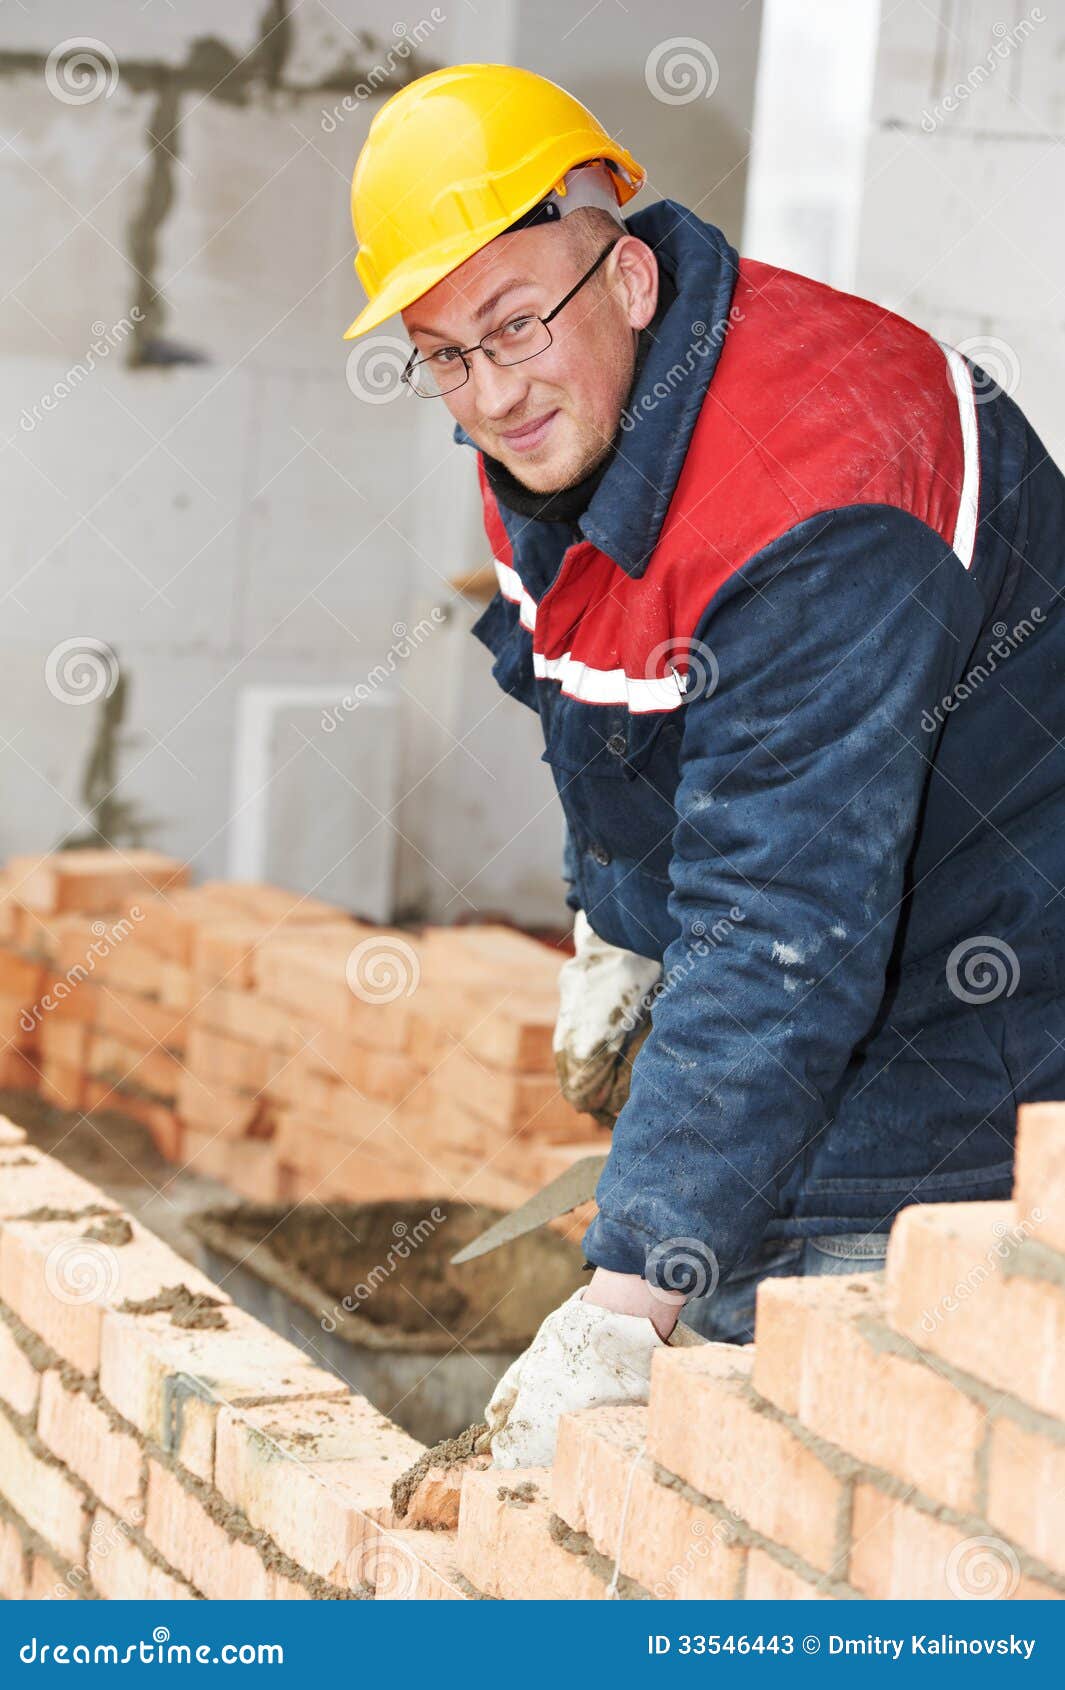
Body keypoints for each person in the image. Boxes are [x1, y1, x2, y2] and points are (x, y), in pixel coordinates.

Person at [343, 64, 1065, 1467]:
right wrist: (610, 931)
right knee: (716, 1276)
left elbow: (780, 925)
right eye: (442, 353)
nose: (489, 393)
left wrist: (624, 1301)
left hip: (992, 968)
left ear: (623, 268)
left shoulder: (818, 491)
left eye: (512, 325)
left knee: (800, 1385)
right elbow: (590, 703)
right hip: (830, 913)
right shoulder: (554, 429)